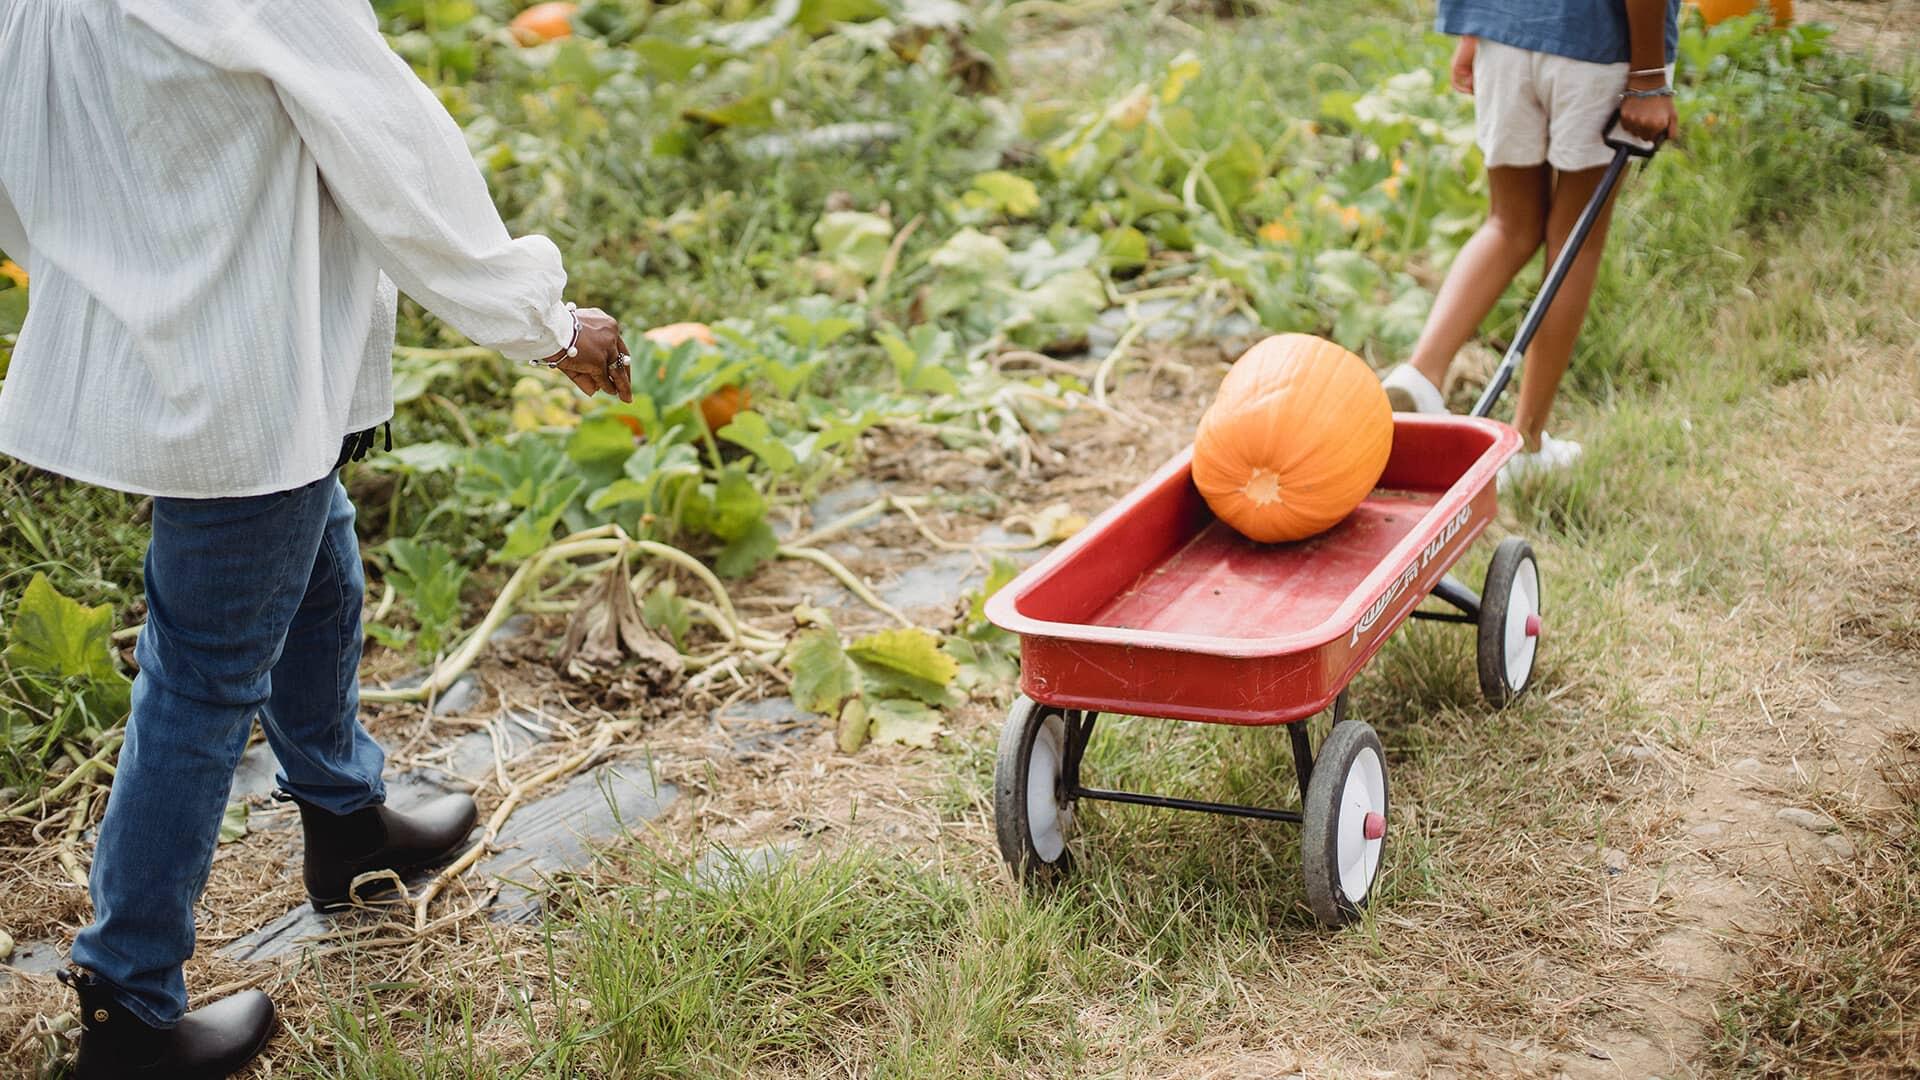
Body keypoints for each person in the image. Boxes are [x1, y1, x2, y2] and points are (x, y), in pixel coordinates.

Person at [0, 1, 634, 1075]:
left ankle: (346, 821)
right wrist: (548, 322)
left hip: (172, 350)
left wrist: (122, 265)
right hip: (252, 363)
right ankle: (130, 1003)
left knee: (317, 570)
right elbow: (391, 147)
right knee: (201, 675)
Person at [1379, 0, 1681, 485]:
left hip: (1503, 33)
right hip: (1595, 44)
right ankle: (1526, 442)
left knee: (1507, 225)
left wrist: (1475, 32)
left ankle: (1420, 375)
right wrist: (1648, 77)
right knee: (1576, 241)